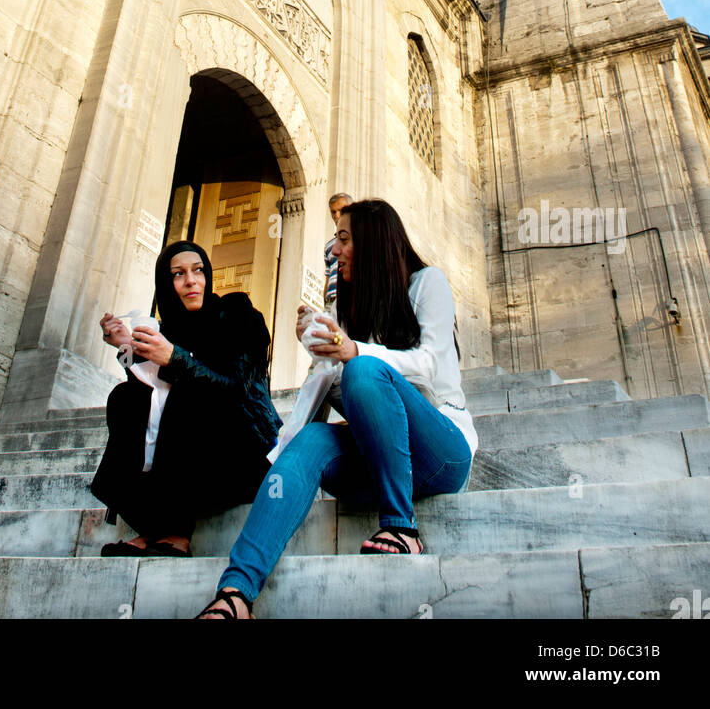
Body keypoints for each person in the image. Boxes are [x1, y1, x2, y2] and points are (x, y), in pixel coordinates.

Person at [196, 198, 477, 617]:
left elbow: (430, 364)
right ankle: (235, 594)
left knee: (363, 370)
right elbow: (322, 391)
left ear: (374, 242)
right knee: (312, 438)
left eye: (344, 239)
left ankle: (402, 527)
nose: (335, 250)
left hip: (441, 453)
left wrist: (353, 351)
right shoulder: (347, 308)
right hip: (375, 460)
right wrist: (321, 350)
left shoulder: (427, 283)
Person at [91, 239, 281, 557]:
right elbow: (152, 398)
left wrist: (174, 358)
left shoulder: (237, 314)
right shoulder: (166, 331)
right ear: (167, 284)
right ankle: (150, 522)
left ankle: (175, 531)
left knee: (187, 395)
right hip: (189, 462)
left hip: (240, 451)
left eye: (198, 271)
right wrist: (127, 346)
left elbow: (234, 390)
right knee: (125, 397)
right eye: (179, 274)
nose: (191, 280)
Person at [323, 191, 352, 307]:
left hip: (348, 297)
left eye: (341, 210)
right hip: (331, 300)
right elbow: (328, 276)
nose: (336, 215)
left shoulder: (359, 238)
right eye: (333, 212)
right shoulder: (328, 246)